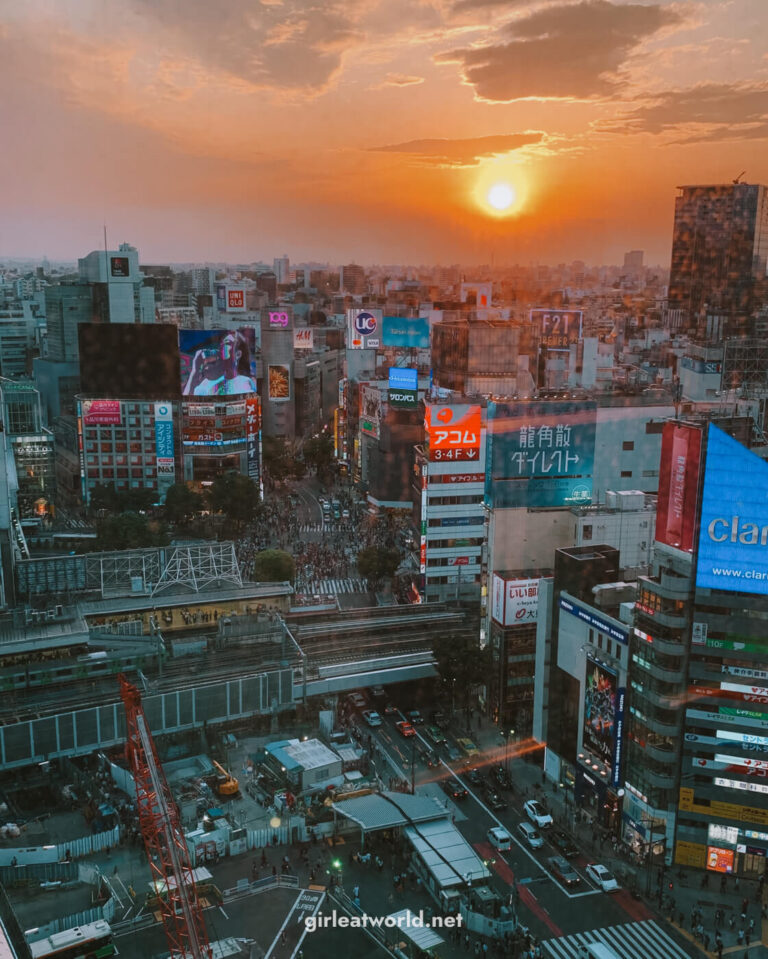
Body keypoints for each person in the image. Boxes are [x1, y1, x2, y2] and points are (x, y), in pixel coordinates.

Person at [183, 330, 258, 396]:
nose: (221, 348)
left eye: (226, 344)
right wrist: (195, 369)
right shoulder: (205, 384)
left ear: (238, 354)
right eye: (221, 345)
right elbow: (188, 402)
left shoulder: (245, 381)